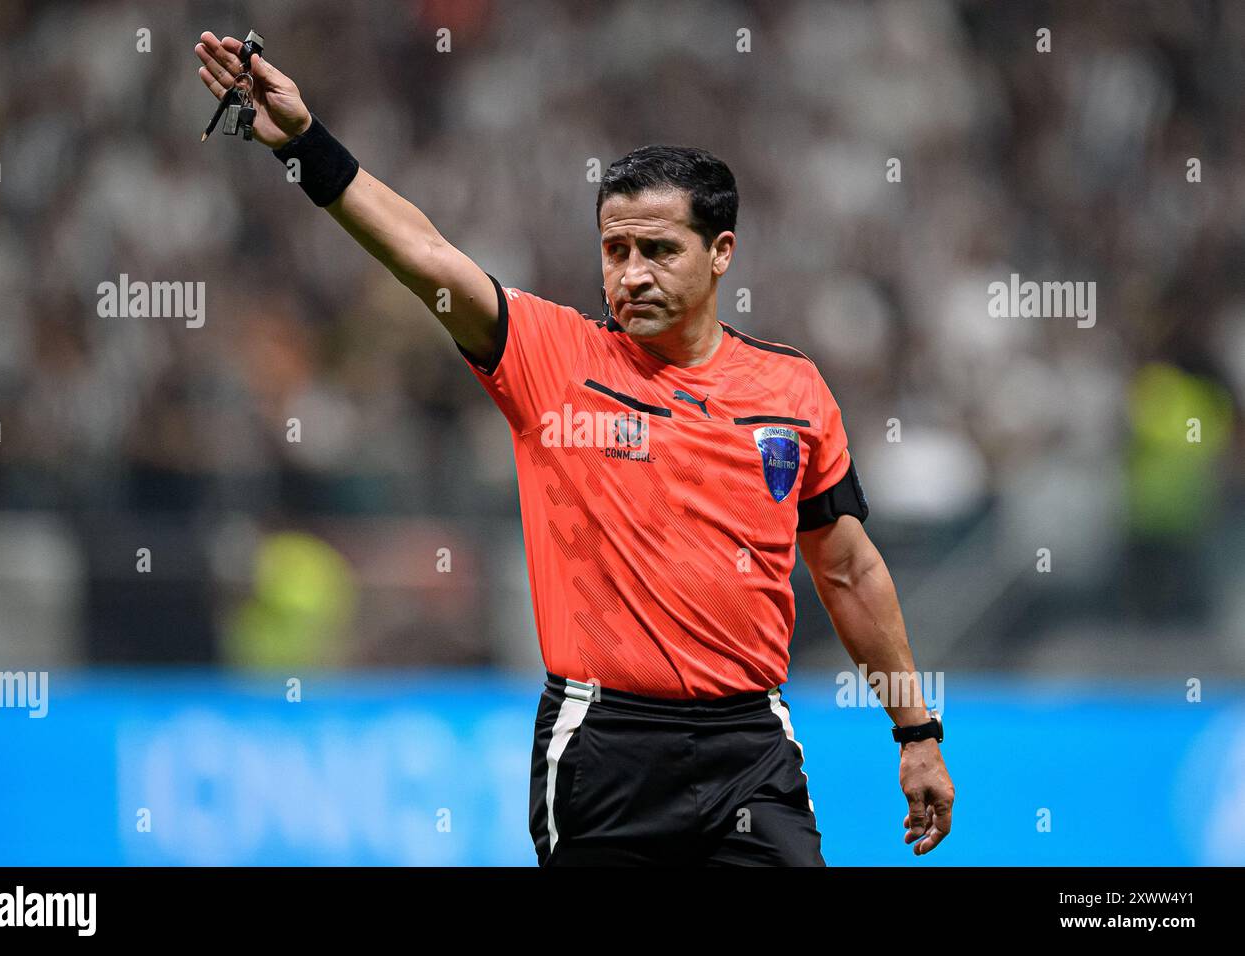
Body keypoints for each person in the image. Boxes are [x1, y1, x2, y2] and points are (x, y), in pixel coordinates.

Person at [194, 31, 955, 866]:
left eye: (659, 251)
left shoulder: (793, 392)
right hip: (604, 745)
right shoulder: (550, 360)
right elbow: (423, 253)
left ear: (721, 253)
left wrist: (914, 729)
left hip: (751, 746)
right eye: (615, 250)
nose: (631, 274)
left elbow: (847, 569)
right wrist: (306, 146)